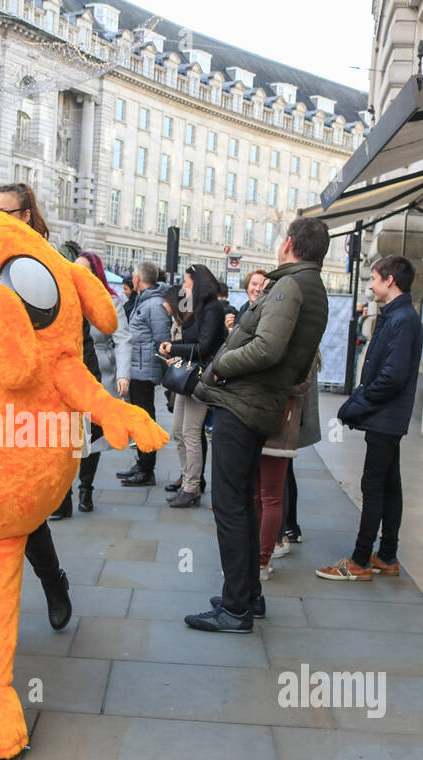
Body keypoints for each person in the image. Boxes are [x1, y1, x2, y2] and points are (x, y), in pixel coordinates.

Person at [182, 217, 331, 632]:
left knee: (230, 506)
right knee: (244, 502)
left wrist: (217, 368)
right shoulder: (311, 287)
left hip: (242, 404)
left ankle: (234, 609)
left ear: (288, 244)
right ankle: (248, 595)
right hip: (259, 403)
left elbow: (266, 347)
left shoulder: (289, 285)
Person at [0, 182, 72, 629]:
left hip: (29, 400)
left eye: (2, 211)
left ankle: (53, 581)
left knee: (25, 507)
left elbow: (66, 340)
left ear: (25, 214)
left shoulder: (46, 264)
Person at [317, 255, 422, 582]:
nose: (371, 284)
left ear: (390, 280)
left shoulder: (402, 319)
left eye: (374, 278)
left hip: (385, 418)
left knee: (374, 485)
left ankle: (360, 560)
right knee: (390, 484)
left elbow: (393, 377)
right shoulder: (397, 315)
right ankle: (387, 555)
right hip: (386, 418)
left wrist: (358, 402)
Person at [52, 250, 129, 516]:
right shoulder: (63, 297)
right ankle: (63, 497)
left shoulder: (110, 301)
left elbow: (122, 339)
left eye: (85, 269)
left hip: (100, 371)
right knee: (67, 437)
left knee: (91, 438)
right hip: (67, 374)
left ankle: (85, 489)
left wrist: (123, 375)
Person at [159, 264, 224, 507]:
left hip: (200, 376)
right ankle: (187, 480)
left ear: (198, 282)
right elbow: (190, 337)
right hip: (188, 375)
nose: (184, 285)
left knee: (191, 432)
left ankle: (192, 487)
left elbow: (205, 347)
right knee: (178, 430)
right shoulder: (196, 307)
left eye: (187, 281)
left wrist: (172, 348)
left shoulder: (213, 308)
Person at [258, 354, 319, 578]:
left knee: (271, 495)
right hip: (261, 421)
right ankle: (261, 555)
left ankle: (263, 559)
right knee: (259, 495)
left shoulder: (305, 340)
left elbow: (301, 384)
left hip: (279, 424)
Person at [117, 260, 170, 486]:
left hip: (144, 370)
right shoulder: (145, 301)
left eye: (133, 275)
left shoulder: (154, 304)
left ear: (138, 279)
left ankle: (147, 470)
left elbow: (162, 339)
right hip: (138, 368)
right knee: (139, 418)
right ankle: (142, 463)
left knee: (145, 419)